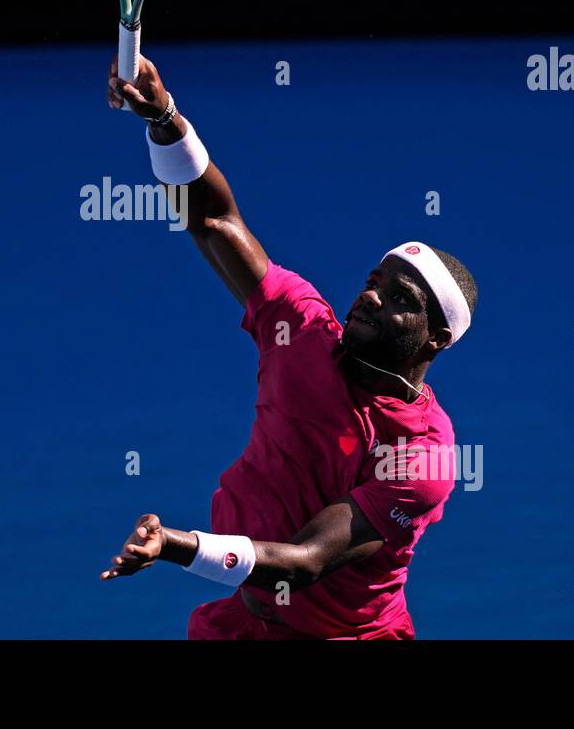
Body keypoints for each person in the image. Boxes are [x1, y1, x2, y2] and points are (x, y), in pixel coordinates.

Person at [98, 55, 479, 640]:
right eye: (373, 281)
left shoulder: (423, 456)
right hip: (244, 625)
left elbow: (305, 563)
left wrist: (178, 545)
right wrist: (165, 119)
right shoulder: (301, 329)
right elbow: (214, 220)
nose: (371, 297)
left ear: (436, 338)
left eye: (399, 298)